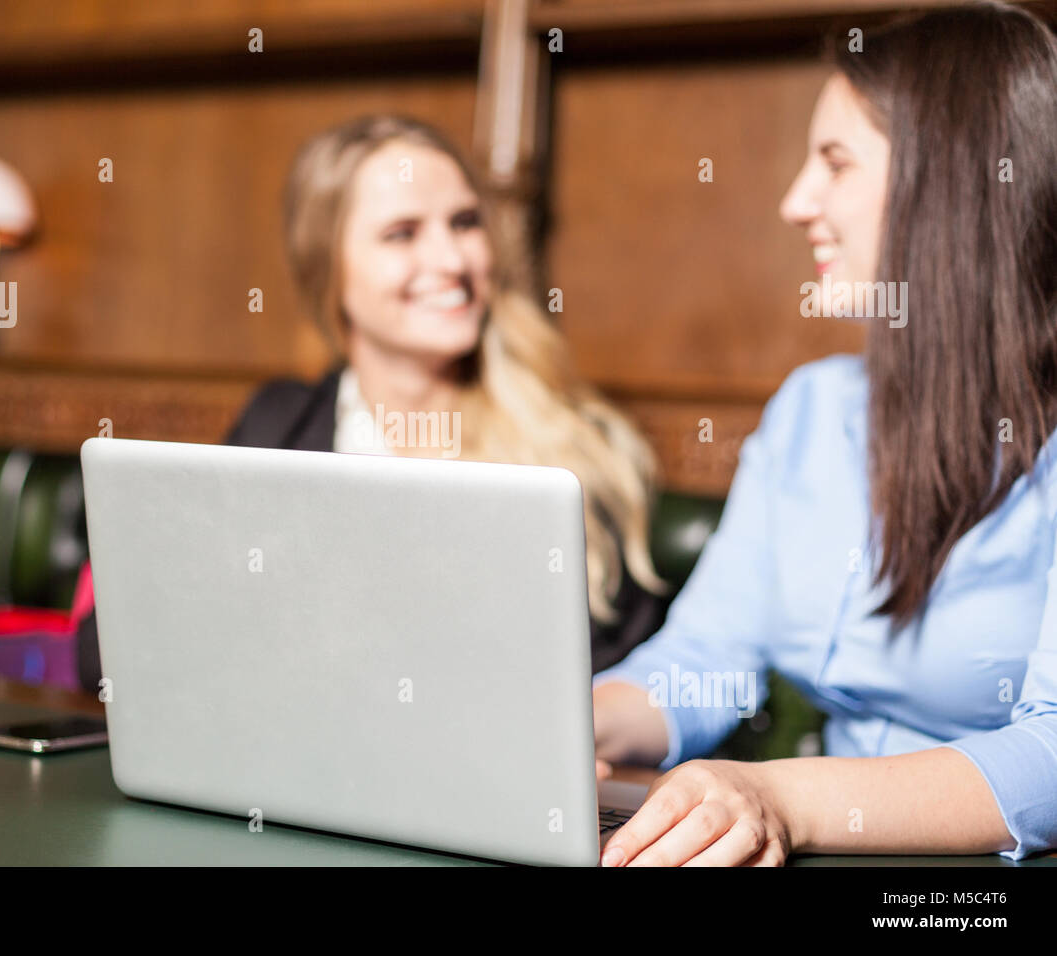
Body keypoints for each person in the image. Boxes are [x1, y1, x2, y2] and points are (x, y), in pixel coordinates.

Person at [594, 0, 1057, 865]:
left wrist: (779, 795)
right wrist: (568, 721)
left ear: (952, 178)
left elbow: (1053, 756)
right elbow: (711, 655)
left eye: (835, 162)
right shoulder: (811, 407)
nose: (795, 200)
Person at [75, 114, 668, 690]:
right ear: (329, 273)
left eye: (464, 222)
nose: (453, 261)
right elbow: (108, 650)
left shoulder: (575, 443)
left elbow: (625, 684)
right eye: (402, 233)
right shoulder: (281, 422)